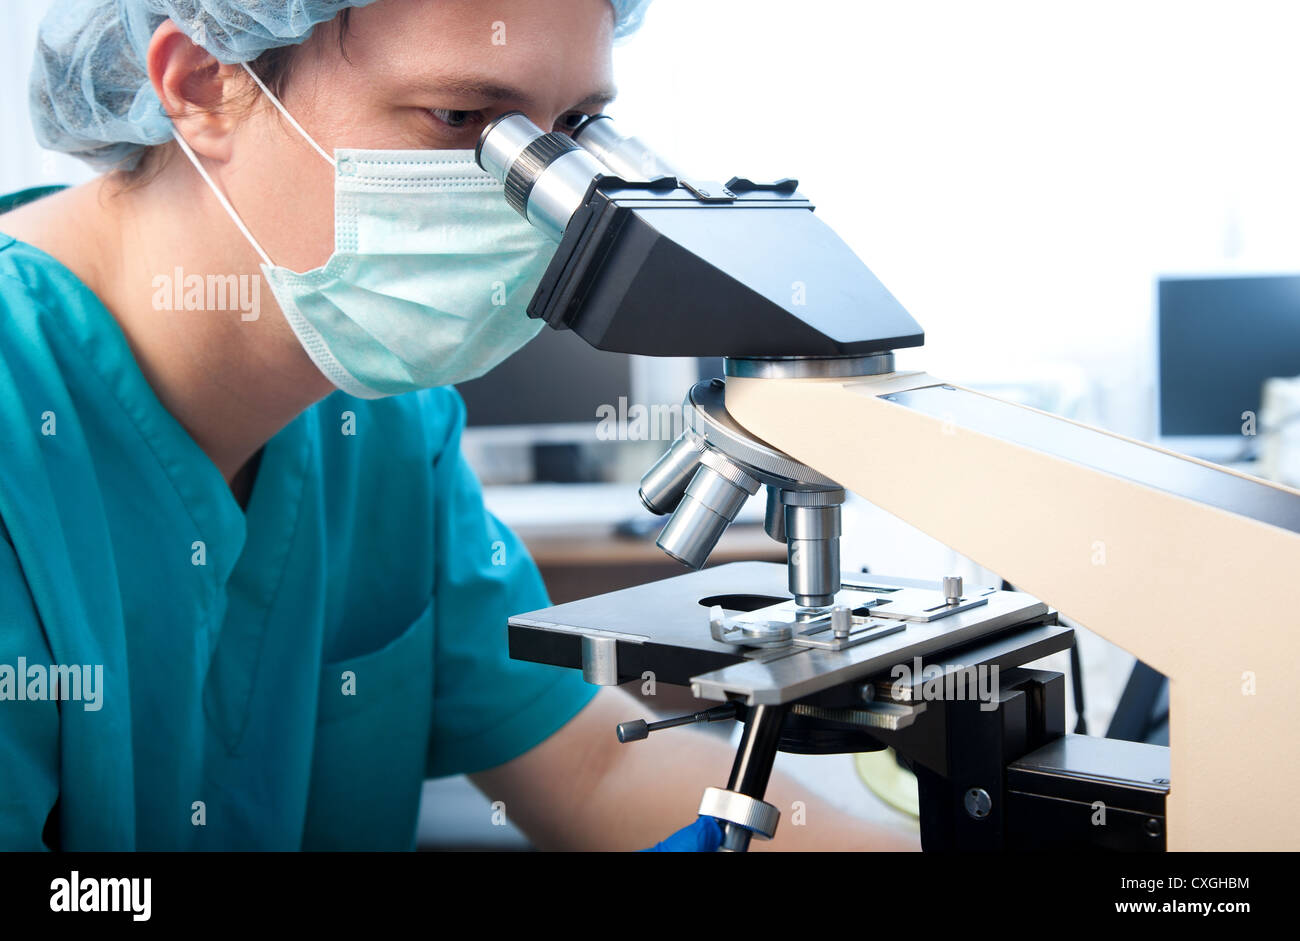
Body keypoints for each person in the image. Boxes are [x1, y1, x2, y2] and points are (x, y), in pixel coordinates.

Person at [0, 0, 920, 851]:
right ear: (205, 83)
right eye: (461, 119)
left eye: (570, 132)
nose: (533, 203)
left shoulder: (384, 421)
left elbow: (586, 762)